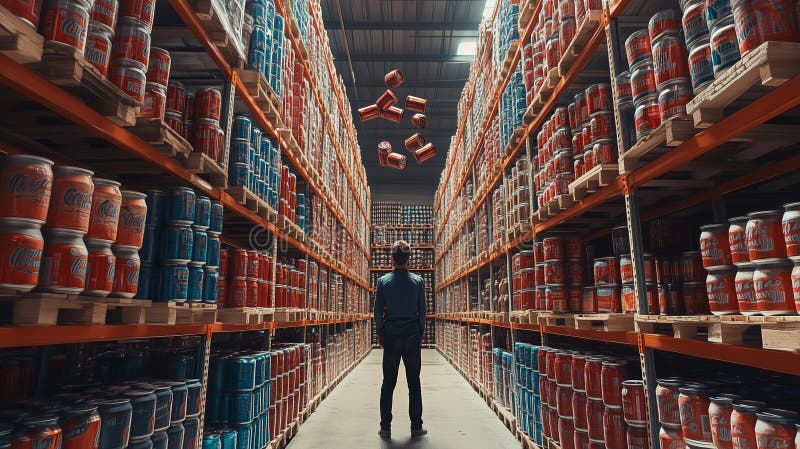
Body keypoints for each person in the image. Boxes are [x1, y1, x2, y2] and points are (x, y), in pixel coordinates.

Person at [374, 240, 428, 440]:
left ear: (391, 258)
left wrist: (381, 332)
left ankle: (385, 427)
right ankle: (416, 426)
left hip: (391, 336)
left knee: (388, 383)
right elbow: (422, 310)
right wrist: (419, 332)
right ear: (409, 258)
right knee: (414, 382)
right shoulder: (418, 281)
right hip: (412, 336)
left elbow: (378, 311)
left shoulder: (383, 282)